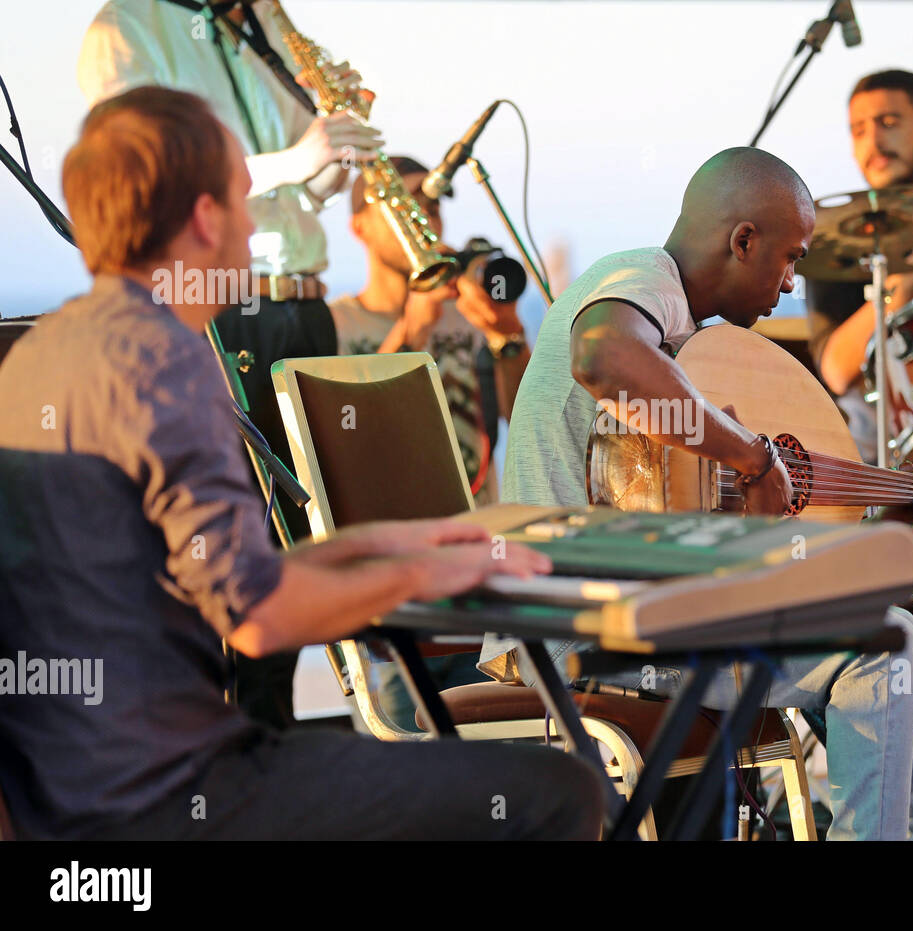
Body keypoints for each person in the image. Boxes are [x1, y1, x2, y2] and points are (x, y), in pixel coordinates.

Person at [0, 86, 602, 841]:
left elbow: (228, 568)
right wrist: (423, 576)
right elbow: (257, 615)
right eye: (245, 201)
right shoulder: (166, 361)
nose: (254, 227)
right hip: (171, 795)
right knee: (557, 790)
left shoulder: (38, 355)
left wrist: (394, 545)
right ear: (205, 217)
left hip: (59, 793)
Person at [491, 146, 913, 840]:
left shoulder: (691, 342)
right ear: (743, 240)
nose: (792, 283)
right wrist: (750, 453)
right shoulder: (642, 279)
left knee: (895, 635)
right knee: (885, 643)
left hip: (638, 620)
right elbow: (601, 356)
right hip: (575, 634)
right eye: (790, 257)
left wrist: (879, 524)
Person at [79, 0, 385, 727]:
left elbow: (300, 196)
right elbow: (153, 174)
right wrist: (296, 158)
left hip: (301, 306)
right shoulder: (125, 29)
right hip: (218, 307)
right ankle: (224, 769)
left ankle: (286, 754)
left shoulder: (265, 27)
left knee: (313, 542)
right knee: (235, 560)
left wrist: (332, 163)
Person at [331, 156, 535, 727]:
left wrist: (508, 337)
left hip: (480, 568)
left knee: (507, 745)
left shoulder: (469, 317)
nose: (424, 214)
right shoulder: (337, 324)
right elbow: (350, 427)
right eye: (402, 204)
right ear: (360, 227)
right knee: (407, 770)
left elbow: (524, 418)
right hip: (393, 584)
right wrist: (414, 328)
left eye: (431, 202)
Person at [806, 70, 913, 461]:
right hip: (874, 465)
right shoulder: (834, 243)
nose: (874, 141)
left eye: (889, 123)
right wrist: (904, 287)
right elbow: (836, 369)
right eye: (858, 130)